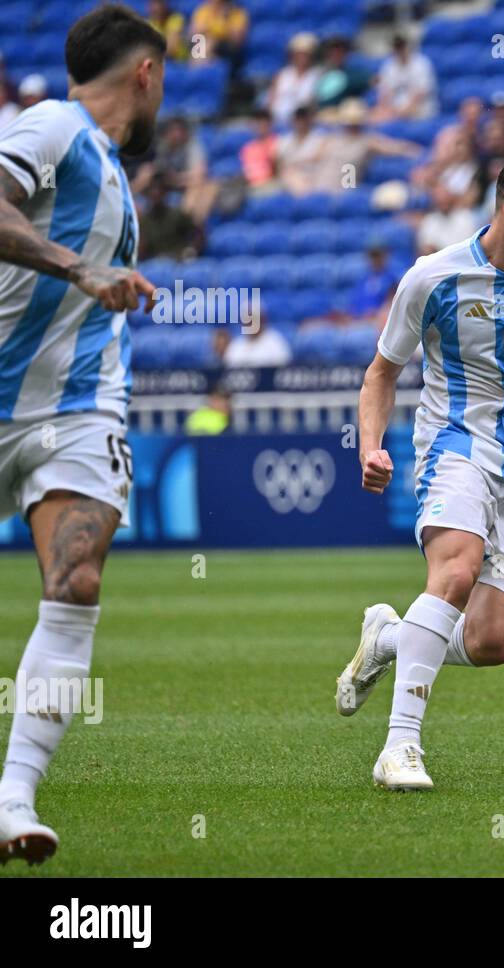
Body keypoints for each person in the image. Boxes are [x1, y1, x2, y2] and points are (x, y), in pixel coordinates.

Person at [334, 153, 504, 792]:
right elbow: (381, 374)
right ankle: (399, 748)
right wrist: (369, 446)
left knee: (492, 642)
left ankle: (392, 638)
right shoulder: (432, 279)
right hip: (454, 448)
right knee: (455, 570)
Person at [0, 4, 164, 865]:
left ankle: (13, 798)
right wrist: (81, 269)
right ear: (145, 72)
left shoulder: (108, 171)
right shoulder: (54, 124)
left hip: (76, 410)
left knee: (77, 579)